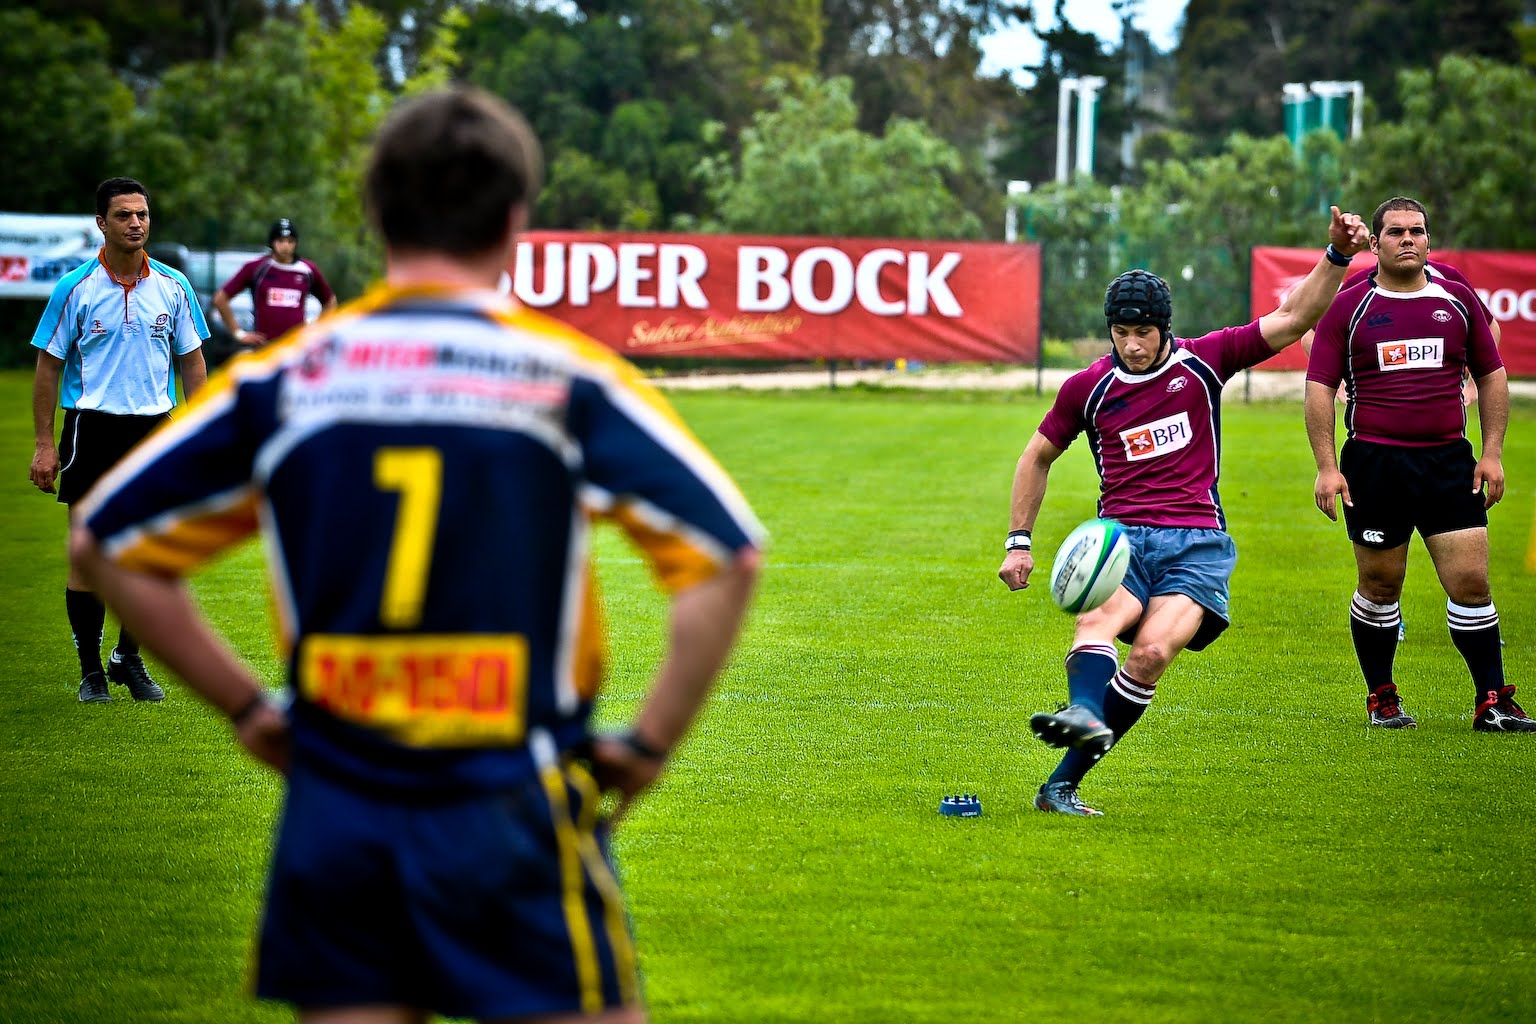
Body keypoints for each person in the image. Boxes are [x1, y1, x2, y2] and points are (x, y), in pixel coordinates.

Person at [71, 86, 764, 1024]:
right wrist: (644, 750)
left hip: (339, 796)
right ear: (516, 219)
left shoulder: (287, 381)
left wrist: (248, 711)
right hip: (510, 794)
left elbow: (108, 540)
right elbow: (727, 555)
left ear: (375, 213)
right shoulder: (565, 376)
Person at [996, 206, 1371, 817]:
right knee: (1095, 627)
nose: (1133, 344)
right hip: (1119, 541)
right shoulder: (1088, 387)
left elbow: (1294, 317)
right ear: (1110, 329)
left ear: (1165, 329)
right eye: (1122, 332)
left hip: (1196, 544)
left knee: (1148, 655)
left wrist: (1335, 255)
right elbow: (1035, 457)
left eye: (1144, 332)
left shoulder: (1203, 363)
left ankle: (1060, 783)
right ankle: (1085, 714)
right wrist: (1018, 540)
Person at [1304, 195, 1533, 734]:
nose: (1408, 239)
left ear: (1428, 240)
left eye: (1417, 231)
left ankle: (1492, 701)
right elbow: (1318, 387)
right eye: (1396, 232)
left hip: (1448, 461)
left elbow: (1493, 371)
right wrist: (1327, 466)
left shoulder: (1454, 295)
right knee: (1381, 586)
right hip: (1374, 465)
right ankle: (1382, 697)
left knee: (1471, 582)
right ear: (1376, 243)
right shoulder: (1350, 305)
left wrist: (1493, 452)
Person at [29, 176, 209, 704]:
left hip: (155, 430)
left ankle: (128, 657)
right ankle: (91, 672)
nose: (136, 223)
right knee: (88, 554)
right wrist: (45, 444)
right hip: (92, 427)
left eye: (142, 215)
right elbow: (48, 367)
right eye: (124, 215)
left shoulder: (174, 286)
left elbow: (193, 361)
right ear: (101, 224)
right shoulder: (75, 289)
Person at [213, 217, 337, 347]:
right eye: (281, 241)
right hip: (265, 348)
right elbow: (220, 299)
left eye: (290, 241)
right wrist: (238, 333)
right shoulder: (257, 268)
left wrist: (316, 331)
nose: (285, 246)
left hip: (296, 347)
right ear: (272, 242)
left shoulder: (307, 270)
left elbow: (330, 301)